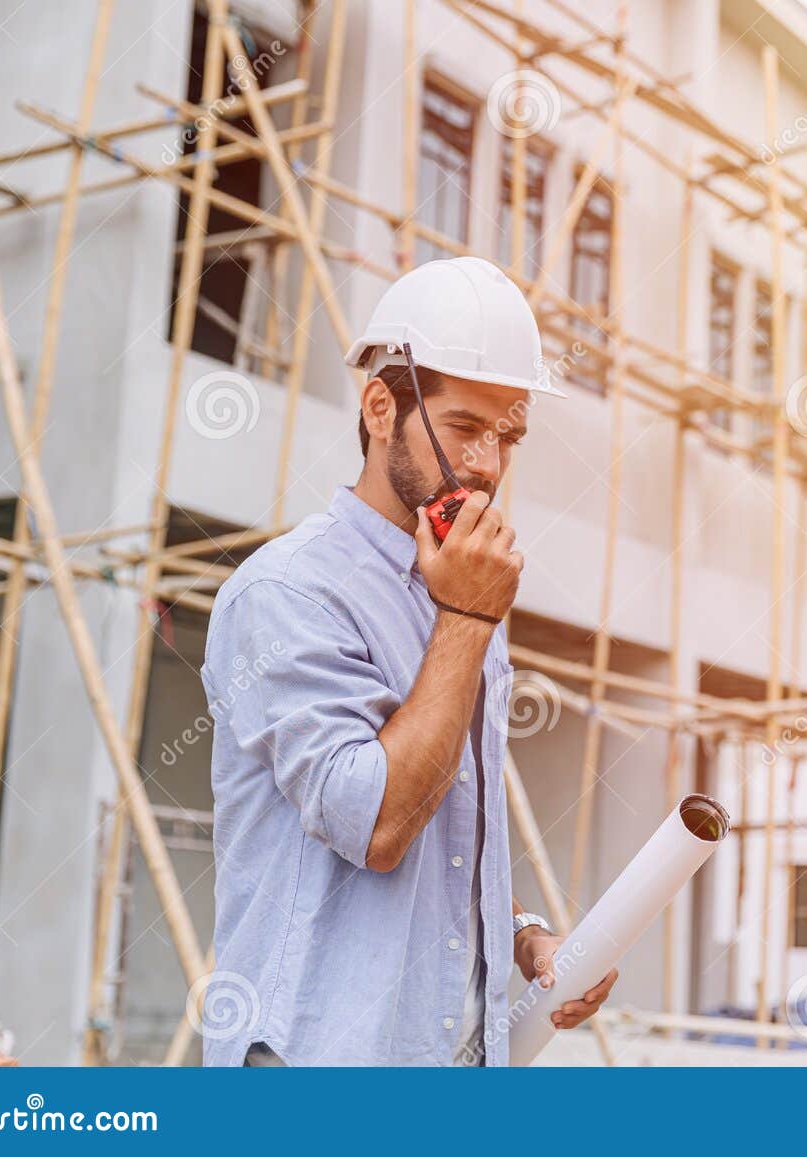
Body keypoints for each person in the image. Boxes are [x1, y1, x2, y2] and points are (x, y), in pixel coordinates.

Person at [200, 257, 617, 1066]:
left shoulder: (464, 590)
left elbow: (444, 832)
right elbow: (380, 825)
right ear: (380, 406)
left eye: (510, 435)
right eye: (465, 427)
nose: (490, 464)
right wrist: (465, 616)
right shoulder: (289, 591)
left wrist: (523, 933)